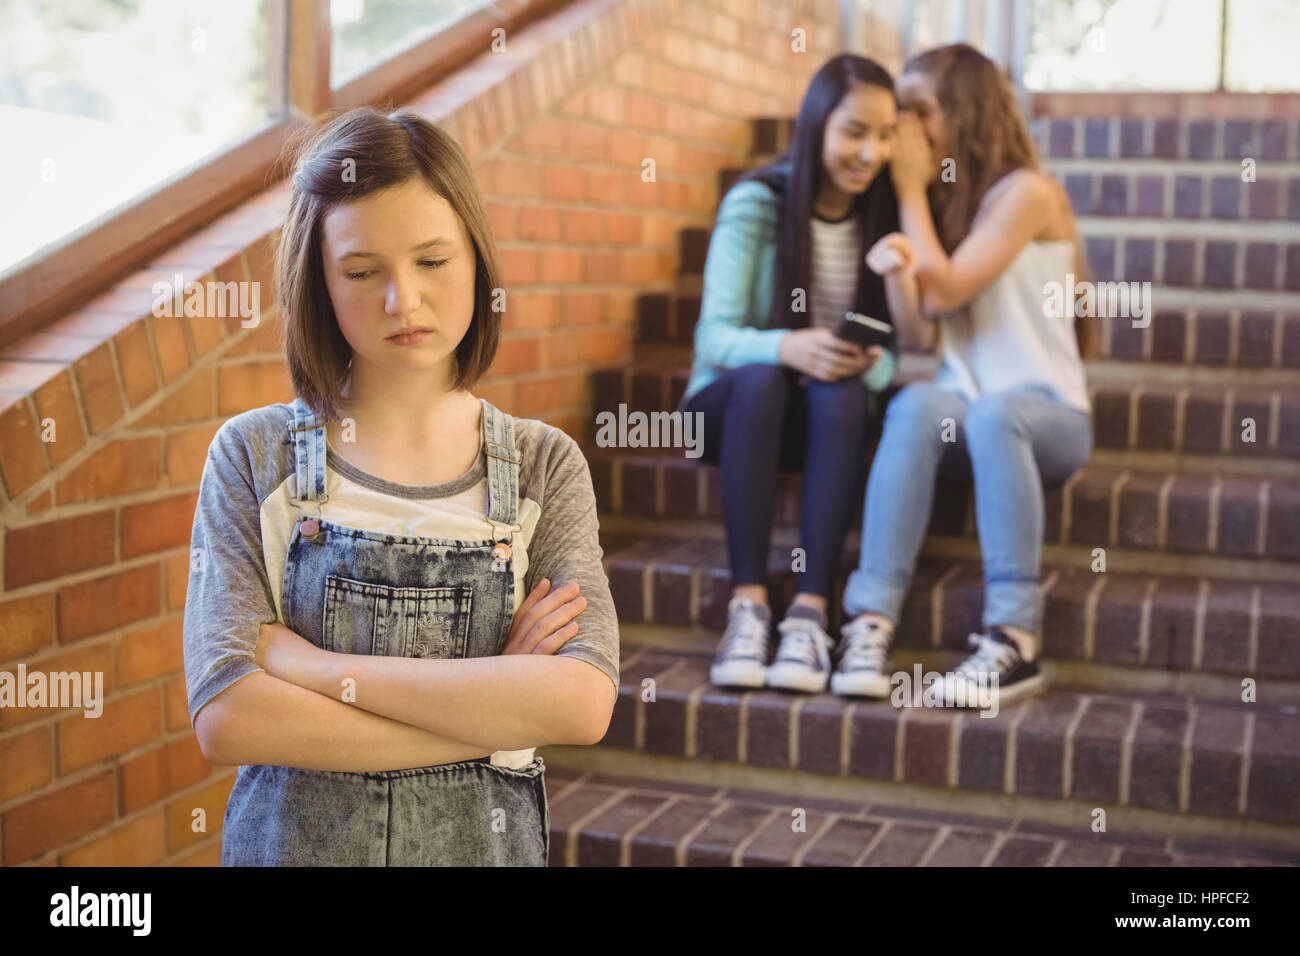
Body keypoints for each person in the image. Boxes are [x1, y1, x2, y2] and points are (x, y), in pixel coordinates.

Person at [181, 107, 619, 865]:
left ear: (477, 260)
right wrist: (495, 708)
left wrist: (313, 670)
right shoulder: (255, 457)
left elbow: (581, 702)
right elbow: (230, 718)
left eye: (432, 261)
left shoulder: (546, 465)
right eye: (361, 271)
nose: (402, 300)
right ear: (318, 281)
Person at [835, 43, 1095, 707]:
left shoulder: (1028, 194)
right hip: (972, 413)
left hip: (1047, 416)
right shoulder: (945, 208)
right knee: (916, 403)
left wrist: (911, 194)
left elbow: (946, 291)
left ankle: (1015, 640)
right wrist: (898, 268)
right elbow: (923, 332)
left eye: (922, 110)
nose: (909, 131)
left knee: (994, 410)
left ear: (968, 112)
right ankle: (869, 622)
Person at [679, 54, 912, 694]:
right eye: (855, 131)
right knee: (763, 381)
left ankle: (810, 614)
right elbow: (714, 336)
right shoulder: (759, 201)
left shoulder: (881, 215)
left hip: (820, 413)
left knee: (841, 391)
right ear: (816, 126)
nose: (870, 152)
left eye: (886, 135)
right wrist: (789, 347)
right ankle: (748, 605)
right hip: (731, 409)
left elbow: (894, 352)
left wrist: (869, 365)